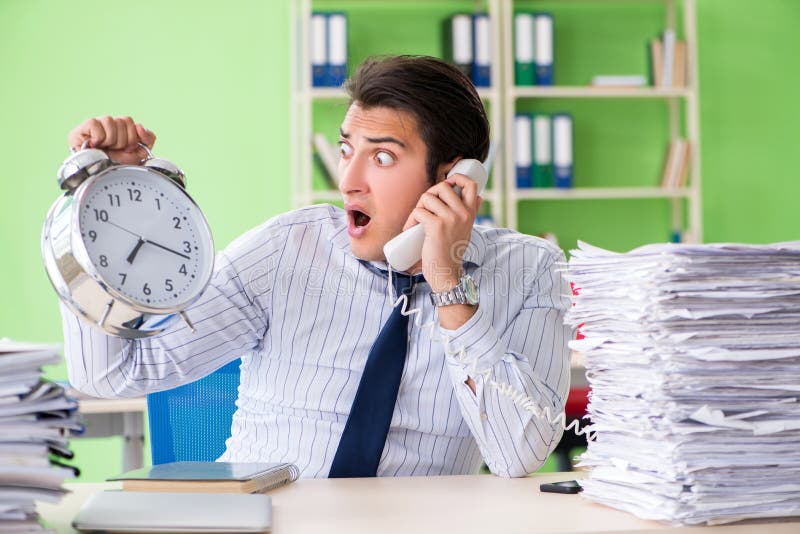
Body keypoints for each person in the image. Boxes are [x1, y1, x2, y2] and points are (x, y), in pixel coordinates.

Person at [62, 55, 573, 478]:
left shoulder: (529, 270)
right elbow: (109, 375)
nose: (349, 180)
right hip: (265, 524)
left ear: (453, 179)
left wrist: (447, 284)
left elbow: (517, 455)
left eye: (383, 158)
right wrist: (99, 208)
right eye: (347, 150)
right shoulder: (286, 250)